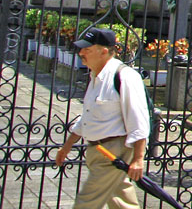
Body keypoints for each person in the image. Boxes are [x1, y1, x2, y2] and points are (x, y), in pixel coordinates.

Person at [55, 26, 150, 209]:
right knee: (122, 203)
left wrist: (138, 159)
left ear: (104, 51)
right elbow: (87, 118)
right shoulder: (95, 76)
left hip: (114, 151)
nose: (81, 53)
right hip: (98, 151)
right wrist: (67, 146)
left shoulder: (125, 76)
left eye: (87, 49)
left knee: (86, 203)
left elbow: (138, 120)